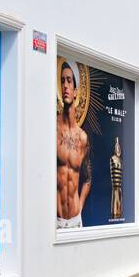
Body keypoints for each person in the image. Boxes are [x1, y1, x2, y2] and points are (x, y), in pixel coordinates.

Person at [56, 61, 90, 228]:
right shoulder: (53, 129)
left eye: (69, 81)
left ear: (76, 92)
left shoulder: (82, 138)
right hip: (56, 221)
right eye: (62, 81)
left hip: (76, 220)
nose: (65, 86)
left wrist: (80, 207)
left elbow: (88, 179)